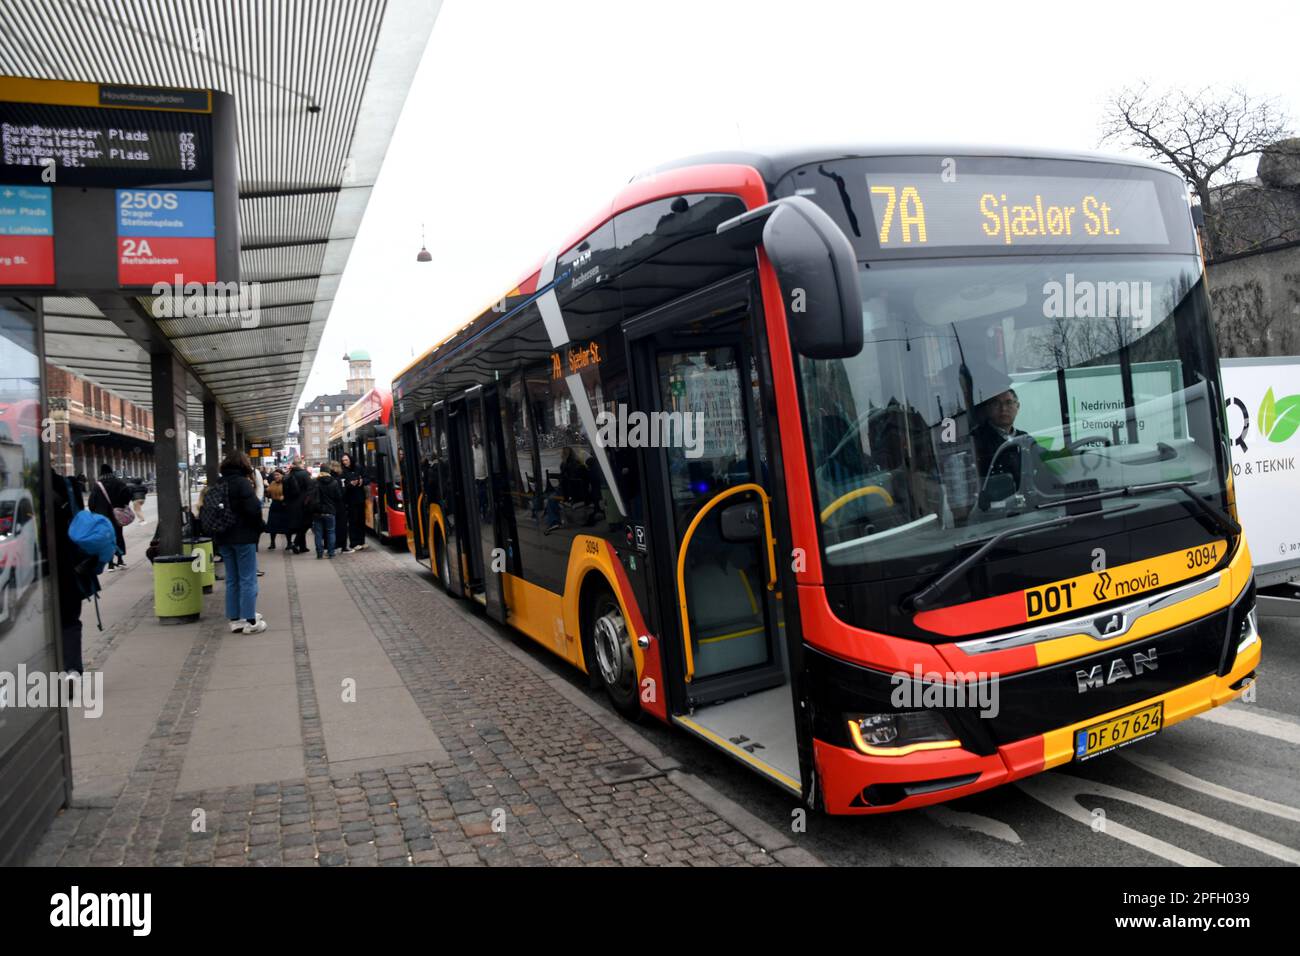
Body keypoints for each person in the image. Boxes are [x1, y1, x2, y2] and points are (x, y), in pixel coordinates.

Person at [211, 451, 267, 634]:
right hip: (243, 537)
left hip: (224, 537)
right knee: (248, 578)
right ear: (243, 464)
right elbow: (253, 509)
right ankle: (250, 620)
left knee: (232, 579)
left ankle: (235, 620)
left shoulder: (219, 483)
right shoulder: (242, 483)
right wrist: (260, 527)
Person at [971, 388, 1029, 487]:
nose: (1003, 409)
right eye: (996, 404)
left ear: (1017, 406)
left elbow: (1043, 461)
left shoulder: (1024, 437)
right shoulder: (977, 439)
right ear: (988, 408)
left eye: (1009, 402)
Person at [89, 464, 132, 570]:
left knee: (107, 539)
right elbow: (127, 495)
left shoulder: (97, 485)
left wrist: (95, 512)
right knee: (118, 536)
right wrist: (122, 506)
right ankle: (120, 560)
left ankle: (110, 563)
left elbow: (91, 503)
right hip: (117, 516)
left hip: (103, 518)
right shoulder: (119, 483)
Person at [310, 461, 343, 559]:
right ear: (329, 471)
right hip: (330, 511)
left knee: (318, 533)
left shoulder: (315, 481)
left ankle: (319, 553)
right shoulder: (334, 482)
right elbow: (338, 497)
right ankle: (331, 553)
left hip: (317, 511)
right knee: (331, 532)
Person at [282, 457, 312, 554]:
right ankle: (295, 543)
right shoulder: (304, 474)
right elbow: (310, 488)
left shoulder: (288, 475)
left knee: (298, 525)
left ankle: (303, 547)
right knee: (305, 524)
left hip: (291, 504)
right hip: (303, 503)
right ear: (300, 464)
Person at [339, 452, 366, 552]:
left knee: (361, 520)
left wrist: (361, 481)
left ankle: (361, 541)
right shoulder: (342, 471)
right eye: (343, 461)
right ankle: (354, 543)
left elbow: (367, 478)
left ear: (350, 459)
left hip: (360, 497)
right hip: (350, 500)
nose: (345, 462)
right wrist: (350, 484)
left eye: (346, 460)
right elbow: (342, 485)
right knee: (353, 521)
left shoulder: (358, 467)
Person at [264, 469, 291, 549]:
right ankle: (272, 543)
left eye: (277, 475)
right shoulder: (272, 483)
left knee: (286, 525)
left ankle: (289, 543)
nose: (276, 476)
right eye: (275, 475)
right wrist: (266, 492)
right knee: (272, 525)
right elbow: (268, 493)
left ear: (282, 475)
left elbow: (291, 493)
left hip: (284, 505)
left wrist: (285, 497)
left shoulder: (286, 483)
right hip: (274, 505)